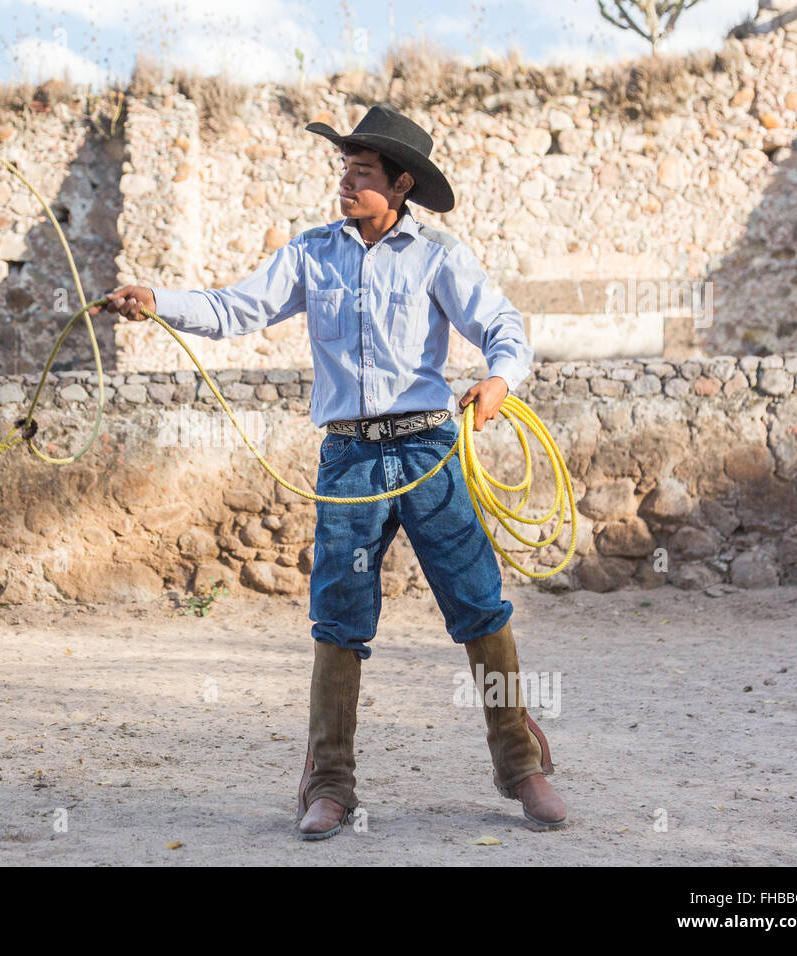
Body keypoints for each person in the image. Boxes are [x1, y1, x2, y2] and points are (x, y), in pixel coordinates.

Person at [91, 103, 566, 839]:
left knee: (478, 603)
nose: (346, 184)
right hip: (348, 458)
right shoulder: (312, 253)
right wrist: (161, 303)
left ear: (401, 184)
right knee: (340, 616)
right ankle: (331, 784)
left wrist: (499, 381)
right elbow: (235, 308)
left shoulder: (438, 254)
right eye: (343, 171)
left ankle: (521, 764)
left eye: (362, 173)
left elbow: (503, 327)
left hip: (428, 450)